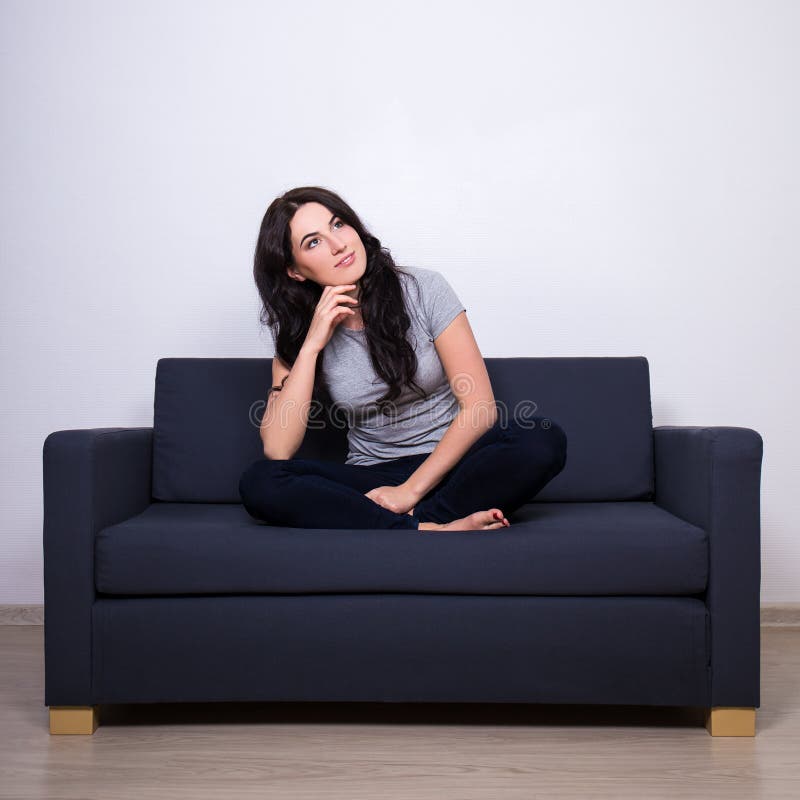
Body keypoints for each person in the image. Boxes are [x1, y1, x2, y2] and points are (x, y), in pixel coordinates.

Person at [239, 186, 567, 532]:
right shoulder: (299, 336)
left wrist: (409, 492)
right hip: (372, 477)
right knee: (261, 480)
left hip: (454, 465)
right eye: (314, 242)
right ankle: (431, 529)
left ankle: (408, 521)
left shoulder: (423, 289)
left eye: (338, 225)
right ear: (294, 271)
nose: (338, 244)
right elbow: (277, 449)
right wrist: (311, 346)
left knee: (542, 438)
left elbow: (481, 408)